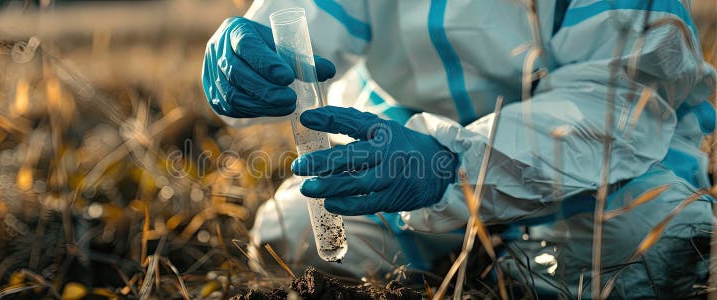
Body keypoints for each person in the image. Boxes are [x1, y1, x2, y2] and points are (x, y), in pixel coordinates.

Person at [201, 0, 716, 298]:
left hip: (598, 179)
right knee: (290, 238)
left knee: (662, 244)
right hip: (398, 167)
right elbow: (303, 18)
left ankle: (506, 266)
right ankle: (473, 259)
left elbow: (619, 98)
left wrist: (455, 163)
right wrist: (253, 45)